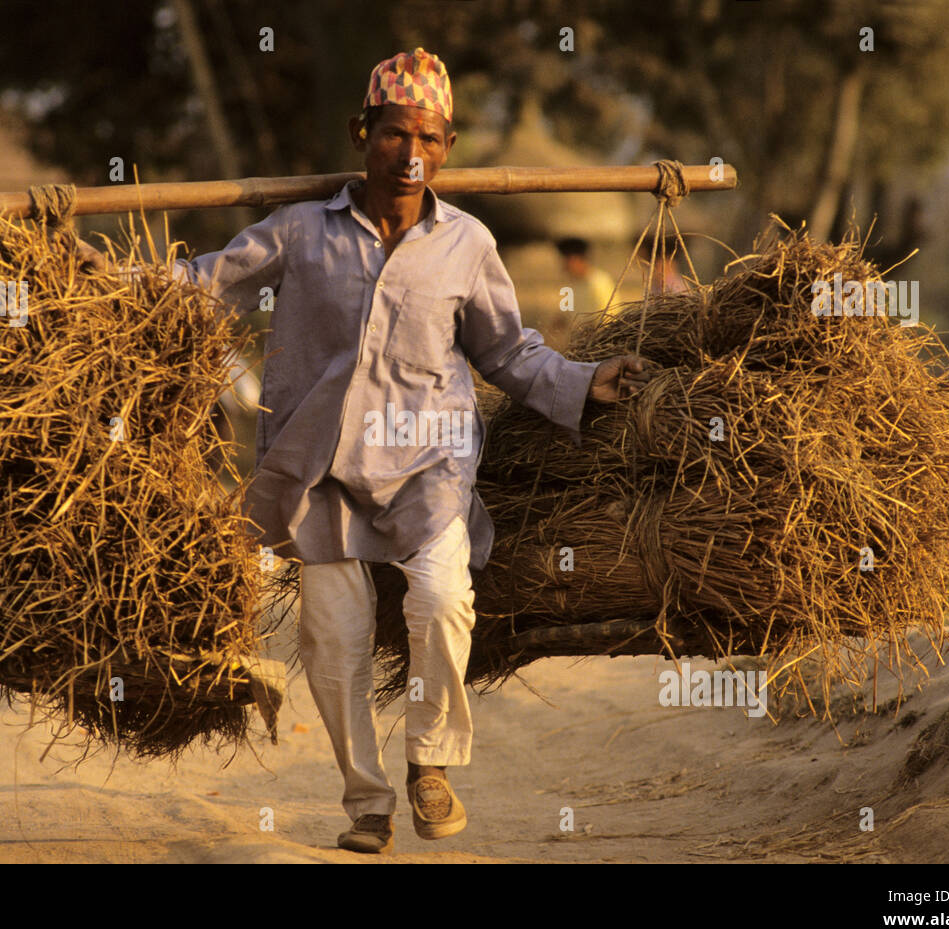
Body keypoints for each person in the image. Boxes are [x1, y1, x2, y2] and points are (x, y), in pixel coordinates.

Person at [81, 48, 651, 854]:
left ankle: (432, 761)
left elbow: (508, 353)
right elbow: (205, 280)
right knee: (332, 641)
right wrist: (115, 280)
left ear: (446, 147)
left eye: (429, 138)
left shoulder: (467, 245)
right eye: (393, 135)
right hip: (320, 469)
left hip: (429, 465)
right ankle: (367, 801)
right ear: (363, 134)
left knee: (442, 600)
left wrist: (586, 381)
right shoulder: (300, 234)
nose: (411, 154)